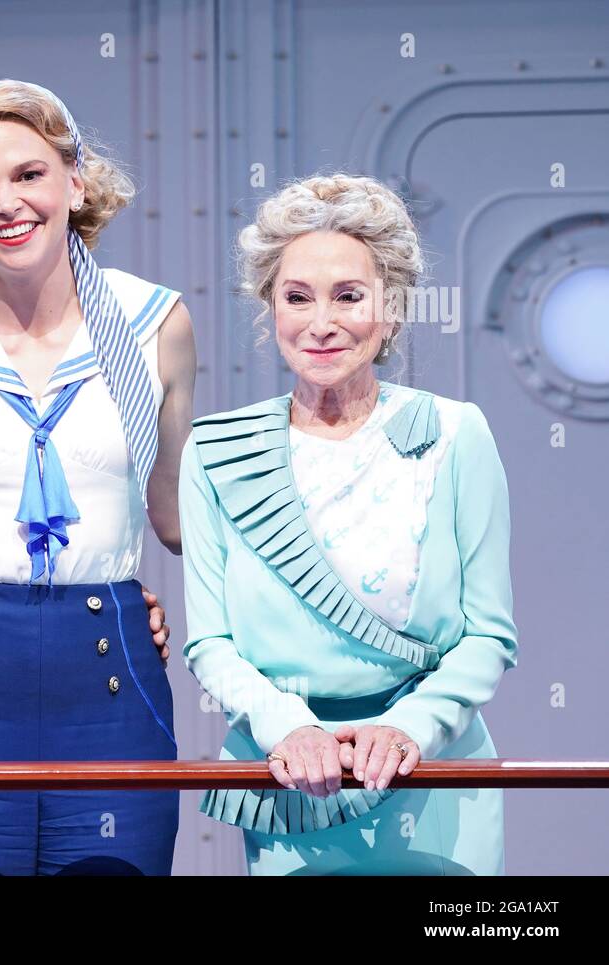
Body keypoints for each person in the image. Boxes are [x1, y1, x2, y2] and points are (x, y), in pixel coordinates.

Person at [0, 80, 197, 875]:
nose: (5, 202)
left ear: (76, 183)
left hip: (112, 668)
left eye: (28, 174)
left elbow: (177, 517)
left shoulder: (155, 320)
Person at [179, 173, 519, 875]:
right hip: (292, 773)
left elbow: (489, 634)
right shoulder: (215, 449)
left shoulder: (456, 433)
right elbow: (210, 642)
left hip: (432, 770)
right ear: (269, 310)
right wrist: (288, 728)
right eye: (296, 297)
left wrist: (408, 728)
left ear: (390, 311)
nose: (320, 321)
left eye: (348, 296)